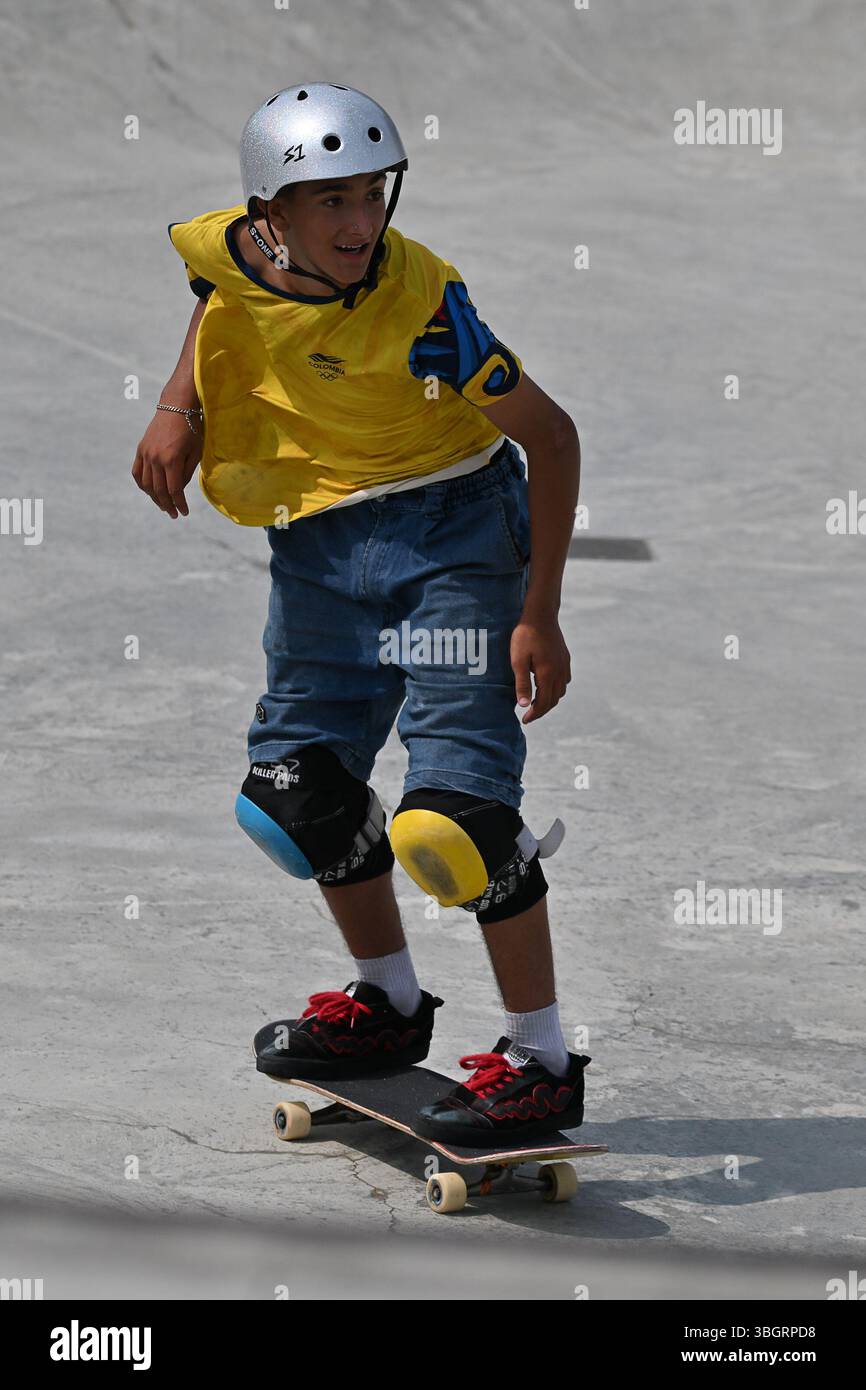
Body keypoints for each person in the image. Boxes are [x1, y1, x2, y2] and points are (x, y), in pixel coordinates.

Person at [132, 83, 589, 1145]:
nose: (357, 226)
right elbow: (220, 294)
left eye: (370, 196)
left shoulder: (426, 306)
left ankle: (542, 1059)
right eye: (327, 202)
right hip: (318, 543)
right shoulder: (232, 249)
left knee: (452, 826)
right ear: (269, 218)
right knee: (297, 795)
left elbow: (551, 437)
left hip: (453, 541)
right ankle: (385, 1005)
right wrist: (178, 408)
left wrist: (540, 611)